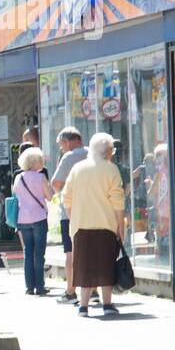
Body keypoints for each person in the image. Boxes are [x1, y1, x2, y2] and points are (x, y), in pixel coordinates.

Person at [61, 133, 125, 317]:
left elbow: (66, 199)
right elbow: (118, 202)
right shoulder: (111, 169)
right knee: (106, 265)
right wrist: (120, 227)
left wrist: (74, 218)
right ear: (107, 152)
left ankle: (83, 306)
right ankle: (107, 304)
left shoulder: (78, 168)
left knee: (84, 266)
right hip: (106, 225)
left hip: (81, 226)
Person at [50, 127, 89, 302]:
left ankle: (71, 291)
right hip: (92, 210)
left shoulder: (70, 157)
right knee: (90, 251)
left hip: (70, 212)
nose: (61, 148)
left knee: (71, 253)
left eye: (61, 145)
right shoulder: (93, 154)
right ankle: (92, 289)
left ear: (68, 141)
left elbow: (56, 183)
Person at [13, 147, 53, 296]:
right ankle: (40, 286)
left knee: (28, 253)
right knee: (39, 254)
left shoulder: (19, 177)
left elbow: (16, 195)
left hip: (23, 219)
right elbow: (49, 196)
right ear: (37, 162)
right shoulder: (40, 177)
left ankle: (29, 287)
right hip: (39, 217)